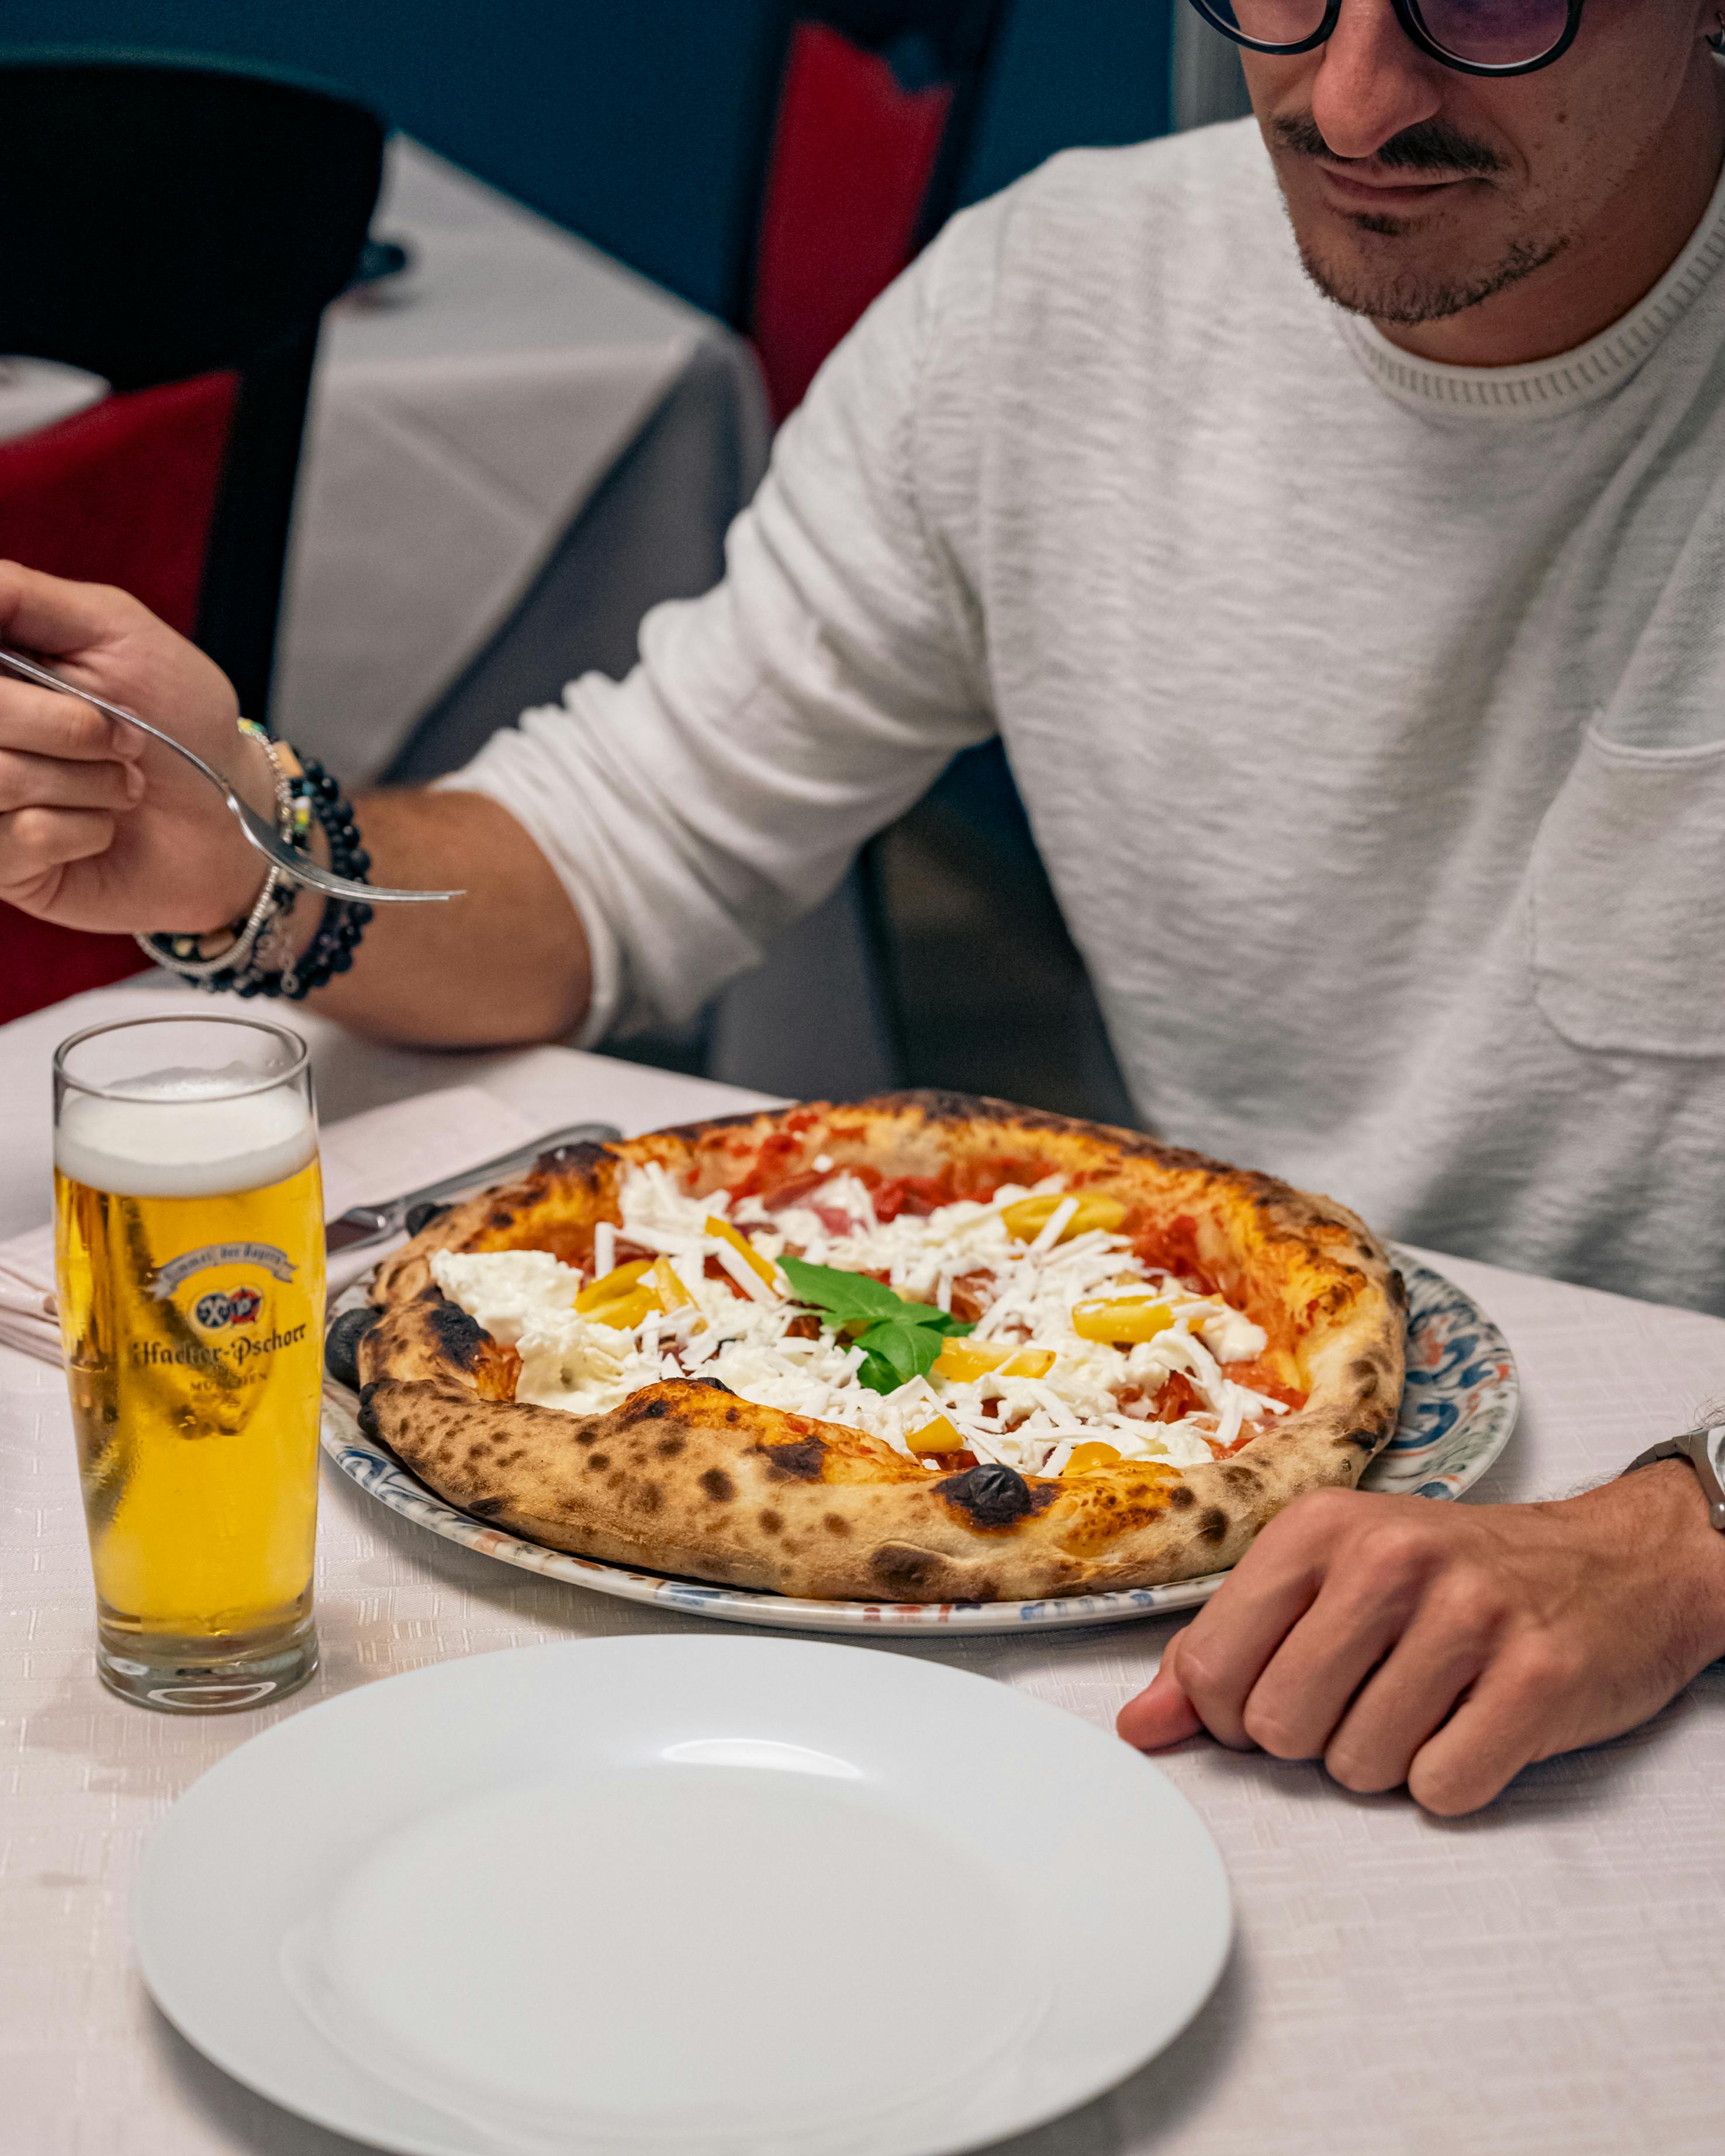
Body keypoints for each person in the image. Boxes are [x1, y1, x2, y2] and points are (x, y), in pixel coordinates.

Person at [5, 0, 1725, 1811]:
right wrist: (250, 853)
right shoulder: (1052, 304)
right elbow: (626, 845)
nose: (1354, 91)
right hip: (1131, 1546)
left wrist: (1680, 1534)